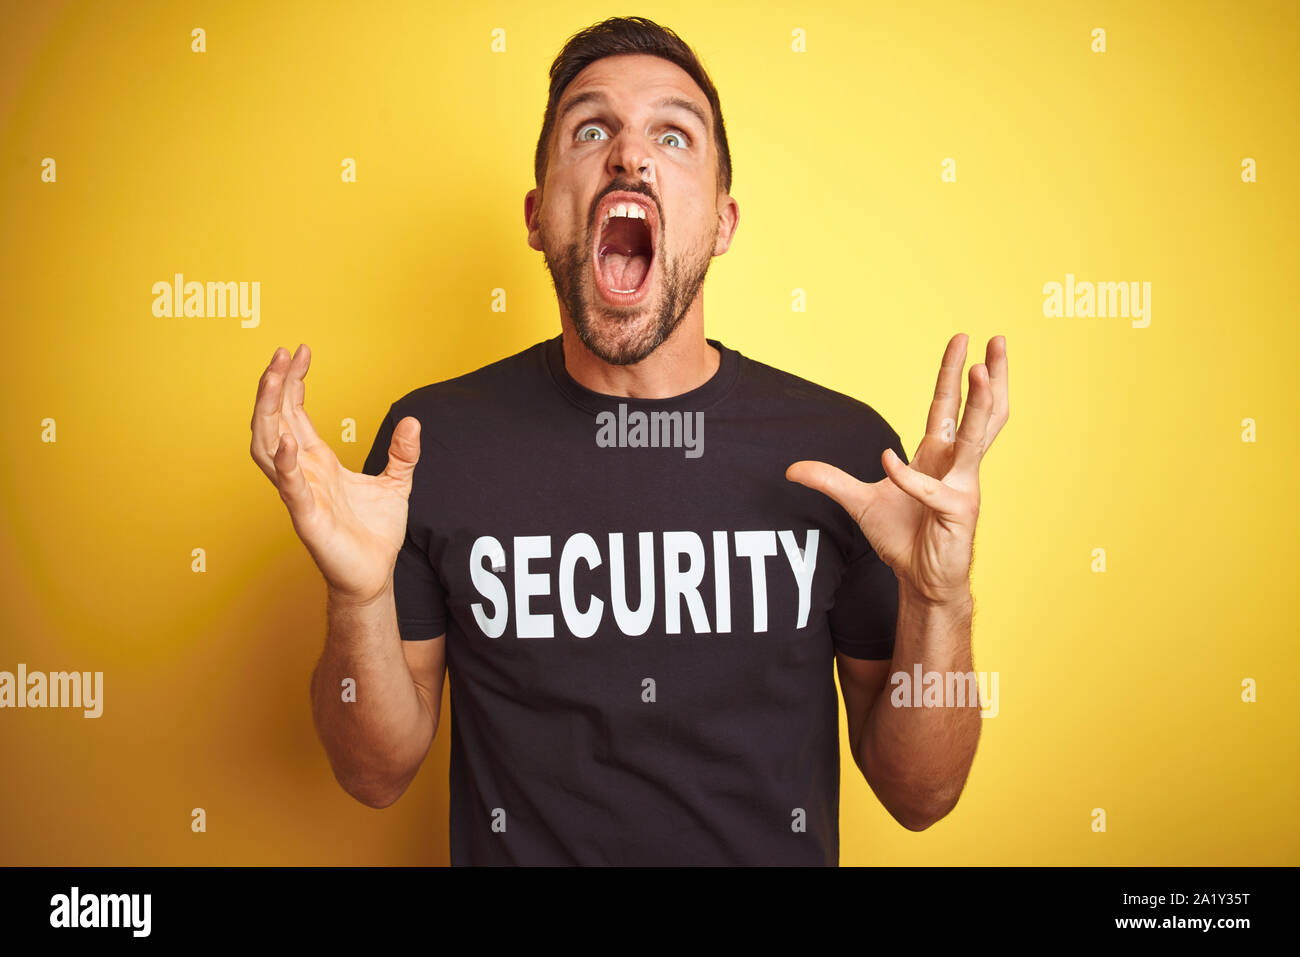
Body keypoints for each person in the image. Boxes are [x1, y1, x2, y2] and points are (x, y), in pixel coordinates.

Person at [249, 16, 1009, 866]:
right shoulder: (428, 446)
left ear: (722, 223)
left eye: (673, 134)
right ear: (538, 216)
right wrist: (356, 597)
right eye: (592, 129)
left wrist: (941, 600)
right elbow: (374, 773)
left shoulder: (846, 455)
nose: (629, 156)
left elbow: (921, 794)